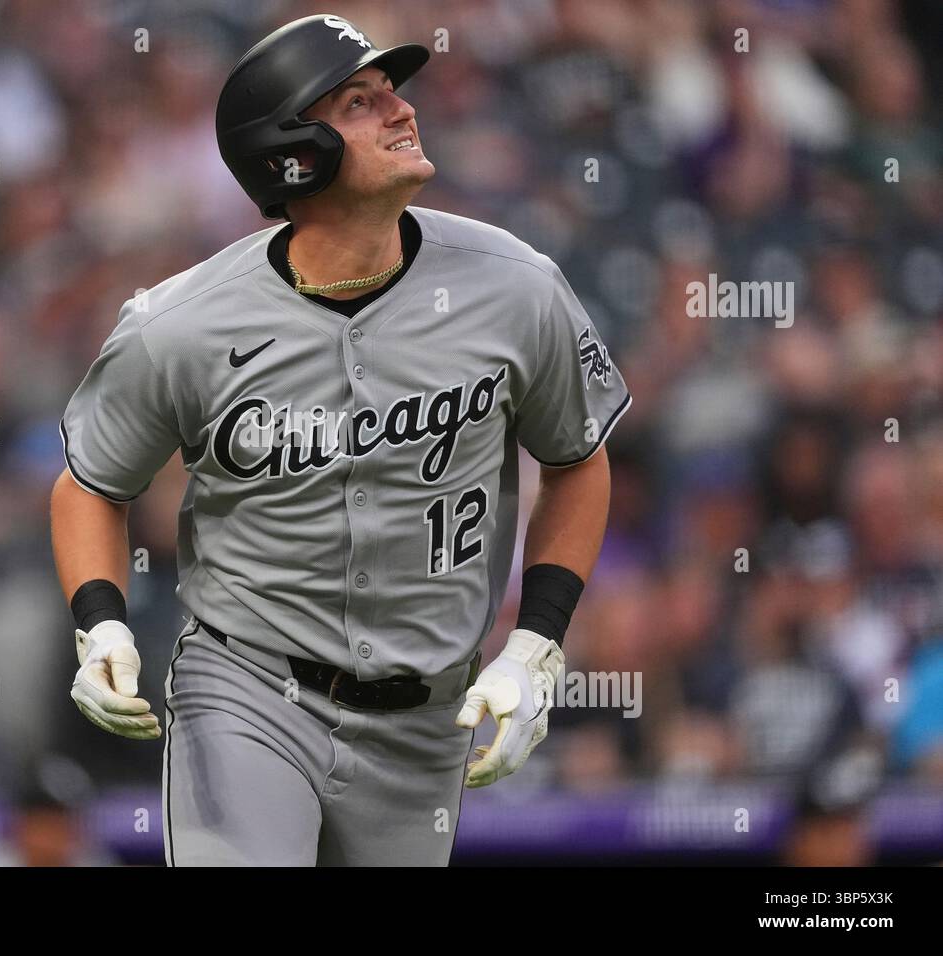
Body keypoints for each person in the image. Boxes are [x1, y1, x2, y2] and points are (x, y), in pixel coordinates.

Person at [51, 14, 631, 865]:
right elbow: (91, 484)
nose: (401, 112)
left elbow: (576, 459)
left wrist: (538, 643)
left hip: (429, 717)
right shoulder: (180, 323)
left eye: (392, 92)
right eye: (361, 101)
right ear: (293, 152)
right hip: (248, 686)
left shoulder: (518, 287)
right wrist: (100, 625)